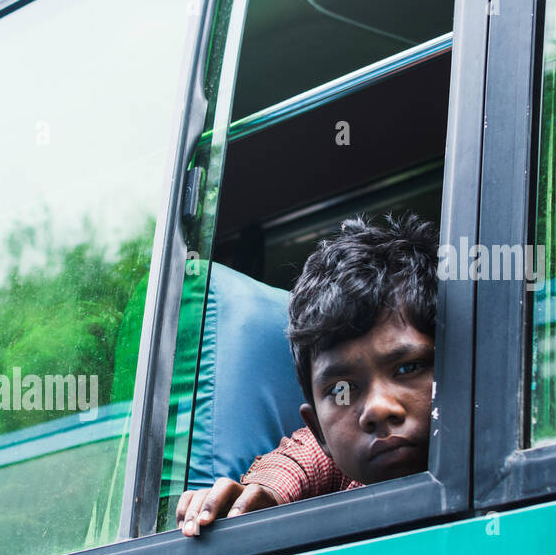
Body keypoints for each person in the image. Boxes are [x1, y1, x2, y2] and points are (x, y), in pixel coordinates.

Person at [178, 213, 438, 537]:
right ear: (318, 430)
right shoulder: (340, 466)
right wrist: (262, 492)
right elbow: (298, 461)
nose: (378, 408)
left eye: (407, 368)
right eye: (343, 388)